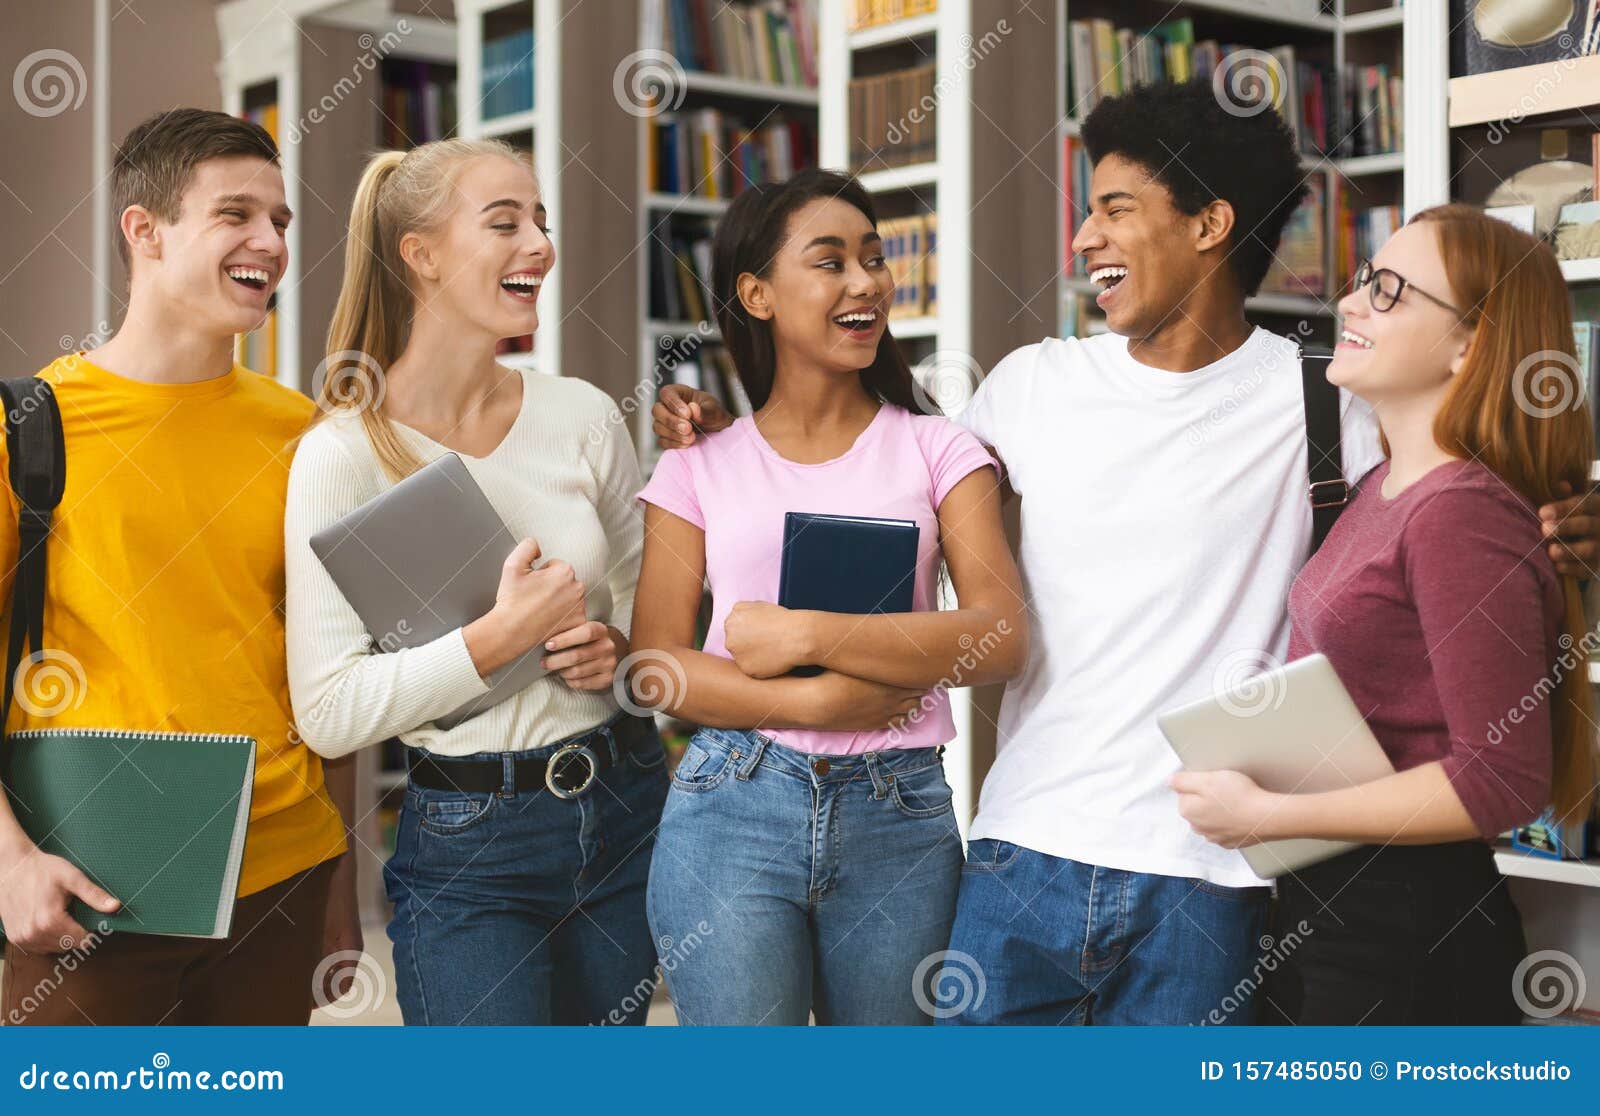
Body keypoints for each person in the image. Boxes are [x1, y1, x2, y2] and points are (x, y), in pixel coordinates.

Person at [651, 81, 1600, 1025]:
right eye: (1085, 211)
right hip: (1021, 854)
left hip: (1214, 873)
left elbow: (1472, 496)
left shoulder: (1333, 398)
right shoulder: (1031, 388)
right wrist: (736, 437)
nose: (1084, 239)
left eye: (1114, 208)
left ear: (1208, 224)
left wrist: (1577, 517)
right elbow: (879, 477)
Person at [1173, 206, 1598, 1025]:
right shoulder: (1381, 487)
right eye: (1365, 280)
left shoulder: (1460, 511)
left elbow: (1501, 780)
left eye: (1392, 292)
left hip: (1404, 930)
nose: (1351, 303)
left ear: (1470, 343)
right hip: (1331, 910)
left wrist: (1271, 816)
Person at [629, 168, 1027, 1025]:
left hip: (900, 813)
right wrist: (817, 697)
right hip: (730, 805)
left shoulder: (939, 447)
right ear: (758, 294)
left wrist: (808, 631)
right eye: (831, 260)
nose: (866, 282)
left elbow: (999, 636)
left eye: (875, 259)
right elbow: (653, 666)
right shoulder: (697, 462)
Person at [285, 139, 664, 1026]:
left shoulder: (580, 415)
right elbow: (329, 710)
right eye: (505, 223)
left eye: (541, 221)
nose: (539, 243)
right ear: (420, 255)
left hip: (624, 806)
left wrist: (617, 648)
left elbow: (649, 597)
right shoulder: (340, 455)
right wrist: (495, 639)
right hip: (470, 846)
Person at [0, 108, 353, 1025]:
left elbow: (334, 671)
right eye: (235, 214)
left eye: (280, 220)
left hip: (283, 873)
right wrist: (9, 862)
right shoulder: (30, 430)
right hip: (94, 877)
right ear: (144, 232)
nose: (269, 242)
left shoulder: (304, 437)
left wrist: (341, 894)